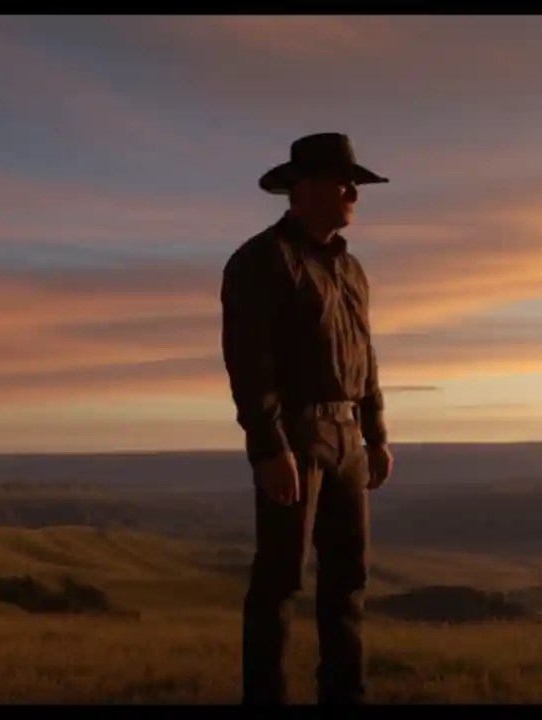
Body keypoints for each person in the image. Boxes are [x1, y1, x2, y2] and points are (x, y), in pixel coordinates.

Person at [220, 132, 395, 705]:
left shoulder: (353, 270)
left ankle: (345, 696)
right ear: (303, 188)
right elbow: (251, 363)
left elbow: (364, 356)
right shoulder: (262, 260)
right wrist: (269, 448)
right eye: (343, 182)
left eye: (355, 184)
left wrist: (375, 434)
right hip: (295, 434)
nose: (353, 193)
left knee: (348, 579)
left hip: (347, 436)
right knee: (280, 579)